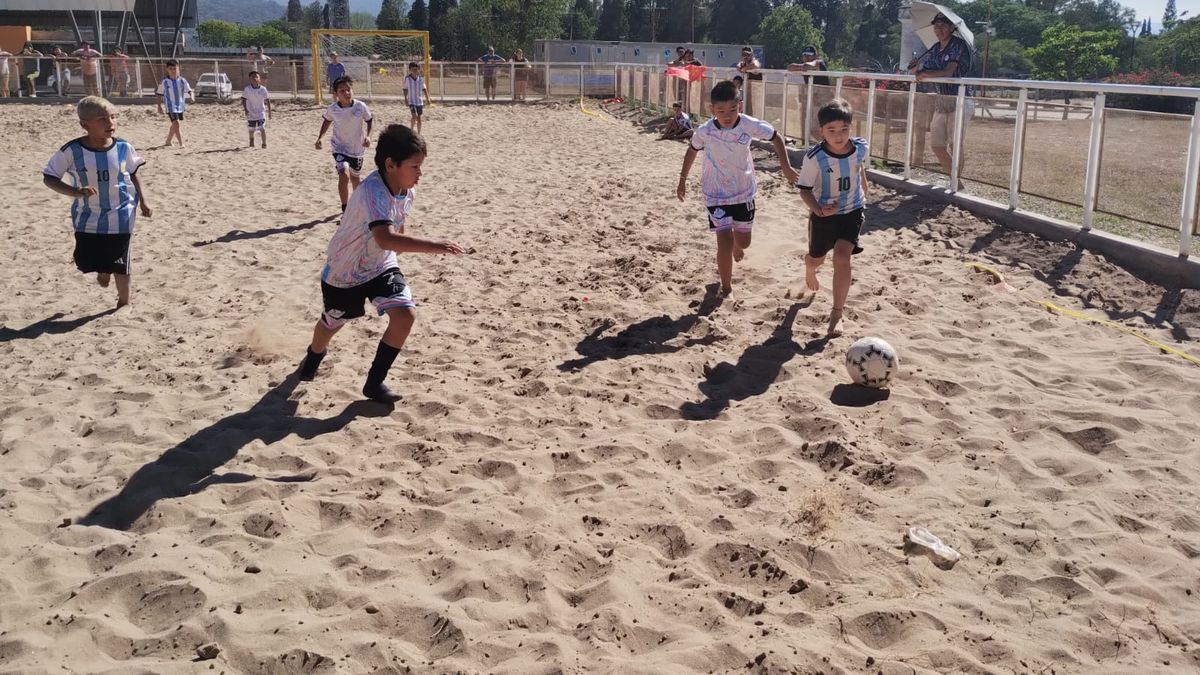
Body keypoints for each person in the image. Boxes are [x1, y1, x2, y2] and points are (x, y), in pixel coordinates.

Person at [297, 124, 465, 402]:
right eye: (415, 166)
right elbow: (386, 238)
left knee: (405, 316)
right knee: (331, 325)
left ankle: (374, 384)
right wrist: (436, 246)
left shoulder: (407, 191)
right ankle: (314, 355)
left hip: (380, 265)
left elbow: (396, 234)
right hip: (345, 272)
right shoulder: (372, 191)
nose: (420, 173)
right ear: (390, 164)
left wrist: (399, 252)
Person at [676, 80, 799, 296]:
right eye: (721, 110)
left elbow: (775, 136)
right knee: (723, 239)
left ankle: (737, 245)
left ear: (739, 106)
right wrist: (682, 179)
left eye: (732, 109)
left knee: (744, 242)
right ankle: (726, 287)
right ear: (711, 109)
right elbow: (692, 150)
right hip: (715, 194)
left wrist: (786, 167)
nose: (727, 115)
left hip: (743, 191)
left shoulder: (749, 125)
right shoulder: (705, 131)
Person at [41, 96, 153, 308]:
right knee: (86, 261)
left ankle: (124, 303)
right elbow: (49, 177)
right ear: (85, 124)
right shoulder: (72, 150)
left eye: (113, 117)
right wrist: (75, 191)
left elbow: (134, 173)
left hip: (122, 213)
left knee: (121, 262)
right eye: (102, 119)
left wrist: (143, 201)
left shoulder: (124, 148)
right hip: (87, 218)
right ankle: (103, 269)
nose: (110, 123)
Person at [795, 98, 870, 337]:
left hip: (852, 210)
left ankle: (836, 314)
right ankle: (809, 268)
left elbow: (860, 167)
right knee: (816, 259)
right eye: (832, 130)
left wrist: (864, 188)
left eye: (844, 129)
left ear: (851, 127)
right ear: (821, 132)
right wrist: (818, 210)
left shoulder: (860, 148)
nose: (839, 136)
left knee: (841, 257)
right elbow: (804, 190)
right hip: (823, 215)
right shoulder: (814, 157)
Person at [910, 12, 973, 179]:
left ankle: (955, 183)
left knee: (955, 144)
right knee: (937, 145)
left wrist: (925, 74)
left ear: (952, 28)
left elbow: (948, 71)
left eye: (943, 25)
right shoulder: (934, 49)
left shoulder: (958, 45)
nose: (939, 29)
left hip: (960, 99)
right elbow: (924, 73)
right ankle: (954, 179)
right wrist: (916, 70)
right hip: (942, 101)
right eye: (936, 26)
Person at [315, 75, 373, 211]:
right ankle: (345, 209)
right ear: (336, 94)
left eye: (348, 90)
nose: (346, 93)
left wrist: (369, 137)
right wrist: (320, 138)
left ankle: (357, 206)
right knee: (343, 174)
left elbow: (370, 120)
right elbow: (327, 121)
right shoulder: (333, 109)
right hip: (339, 148)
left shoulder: (360, 106)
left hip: (357, 149)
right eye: (342, 91)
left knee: (355, 179)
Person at [155, 60, 193, 147]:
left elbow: (190, 90)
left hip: (180, 105)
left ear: (178, 68)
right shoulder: (164, 81)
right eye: (171, 68)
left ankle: (168, 141)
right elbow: (159, 94)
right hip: (170, 106)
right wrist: (159, 106)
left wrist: (192, 96)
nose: (173, 70)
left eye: (174, 68)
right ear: (167, 69)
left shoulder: (182, 80)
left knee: (174, 124)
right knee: (176, 123)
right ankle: (181, 143)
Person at [243, 71, 271, 148]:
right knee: (251, 129)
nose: (255, 78)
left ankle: (264, 144)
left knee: (262, 128)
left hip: (261, 112)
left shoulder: (263, 89)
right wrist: (245, 109)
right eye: (253, 77)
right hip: (251, 112)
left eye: (256, 77)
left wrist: (270, 112)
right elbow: (243, 99)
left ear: (259, 79)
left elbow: (267, 100)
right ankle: (251, 140)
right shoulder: (247, 89)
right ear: (250, 80)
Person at [403, 62, 431, 136]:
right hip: (411, 101)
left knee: (419, 117)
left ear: (418, 70)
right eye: (413, 69)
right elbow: (405, 89)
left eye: (416, 69)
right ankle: (411, 131)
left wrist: (428, 98)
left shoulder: (421, 79)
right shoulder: (407, 79)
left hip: (419, 101)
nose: (415, 71)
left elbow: (424, 89)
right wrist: (405, 99)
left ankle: (418, 133)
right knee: (414, 115)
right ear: (410, 70)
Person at [734, 46, 761, 115]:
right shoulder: (743, 63)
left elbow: (755, 65)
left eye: (748, 55)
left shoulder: (755, 61)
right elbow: (738, 66)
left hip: (756, 91)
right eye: (744, 55)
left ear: (752, 54)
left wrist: (745, 68)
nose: (746, 57)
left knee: (755, 111)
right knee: (747, 109)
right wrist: (741, 66)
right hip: (747, 90)